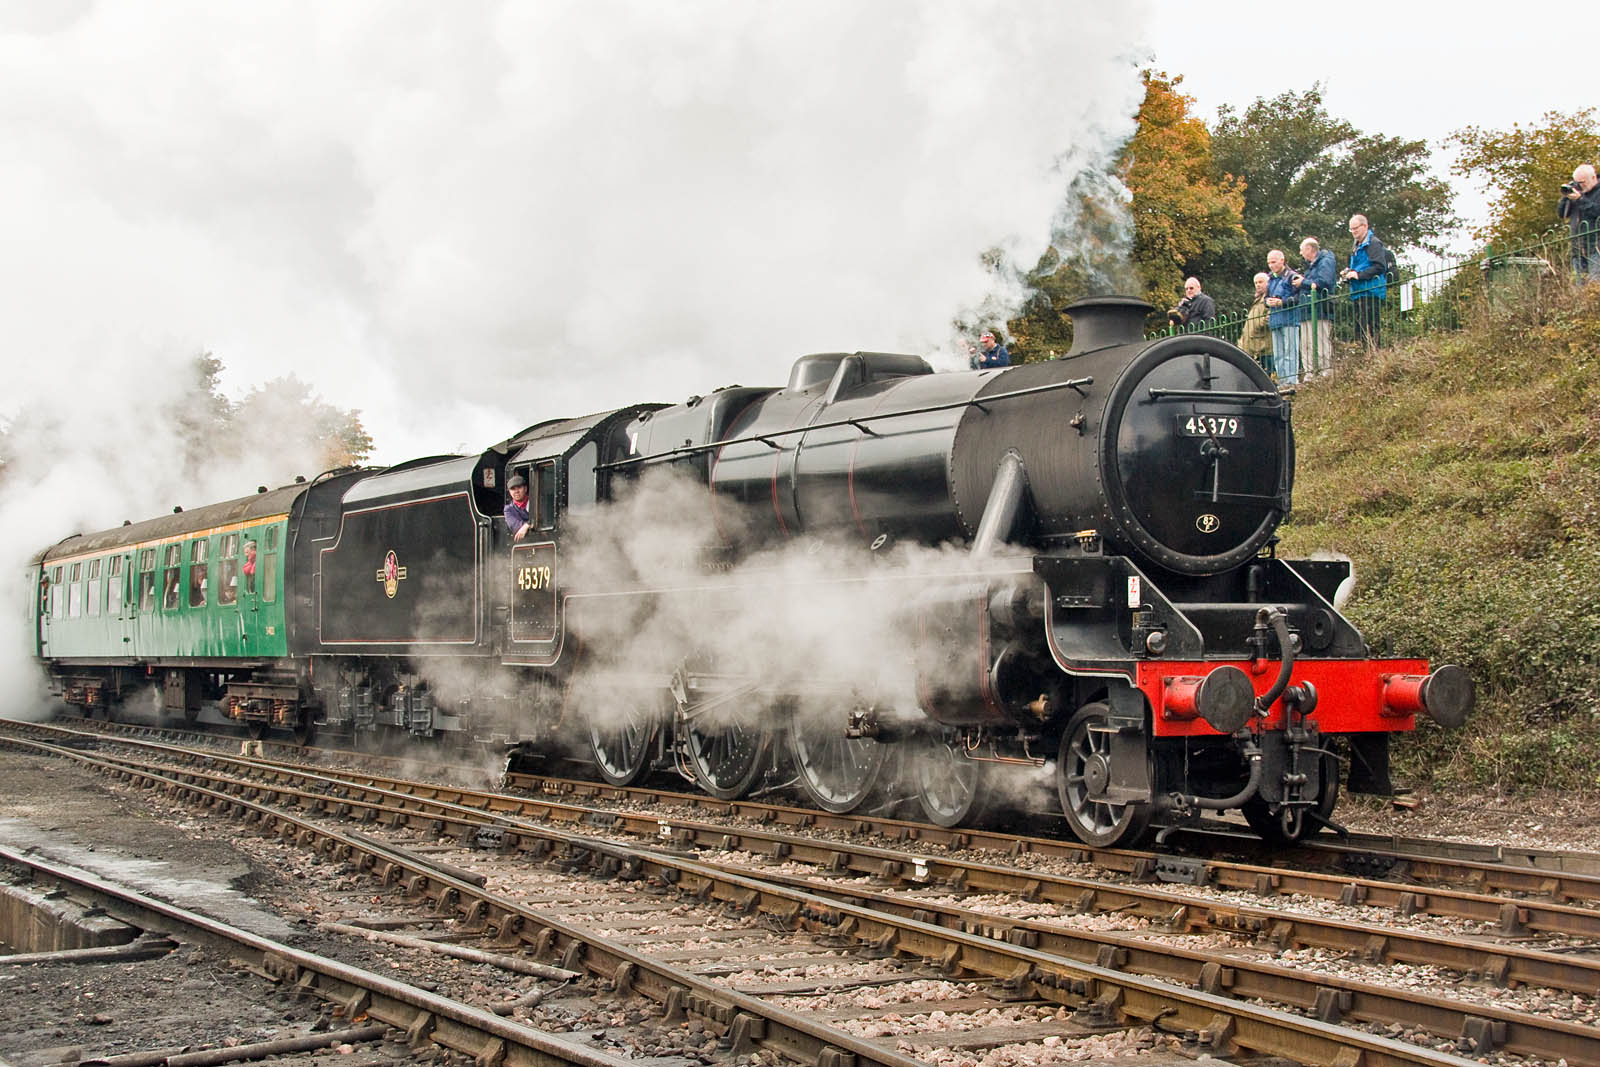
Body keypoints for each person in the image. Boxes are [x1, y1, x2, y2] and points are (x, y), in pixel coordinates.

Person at [1340, 215, 1388, 349]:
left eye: (1356, 228)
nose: (1354, 232)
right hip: (1358, 292)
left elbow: (1379, 266)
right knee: (1360, 330)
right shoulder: (1355, 246)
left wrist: (1359, 275)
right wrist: (1348, 272)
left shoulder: (1373, 243)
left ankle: (1373, 355)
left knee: (1371, 328)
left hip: (1371, 291)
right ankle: (1365, 355)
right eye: (1351, 229)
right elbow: (1359, 265)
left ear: (1365, 226)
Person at [1294, 237, 1338, 376]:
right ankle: (1310, 372)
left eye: (1302, 250)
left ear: (1309, 249)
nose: (1301, 254)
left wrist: (1304, 283)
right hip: (1306, 309)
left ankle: (1325, 371)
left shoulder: (1326, 261)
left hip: (1320, 308)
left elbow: (1324, 282)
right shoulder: (1310, 266)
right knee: (1306, 343)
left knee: (1321, 341)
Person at [1558, 163, 1600, 283]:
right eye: (1577, 182)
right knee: (1580, 290)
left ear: (1593, 178)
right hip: (1578, 248)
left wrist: (1580, 200)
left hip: (1596, 247)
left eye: (1583, 182)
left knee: (1594, 286)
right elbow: (1562, 214)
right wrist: (1566, 196)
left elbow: (1597, 211)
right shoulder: (1577, 192)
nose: (1580, 186)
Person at [1264, 250, 1300, 385]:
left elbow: (1297, 298)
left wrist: (1282, 302)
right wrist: (1267, 302)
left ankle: (1291, 381)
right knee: (1278, 354)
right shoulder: (1270, 279)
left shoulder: (1292, 276)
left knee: (1290, 353)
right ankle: (1282, 381)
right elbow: (1265, 298)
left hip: (1290, 319)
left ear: (1282, 261)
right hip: (1275, 320)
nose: (1271, 265)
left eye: (1273, 262)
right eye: (1269, 263)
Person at [1238, 271, 1272, 368]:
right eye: (1256, 283)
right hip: (1253, 345)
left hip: (1264, 347)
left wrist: (1258, 325)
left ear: (1268, 283)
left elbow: (1269, 317)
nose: (1258, 285)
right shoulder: (1257, 300)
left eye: (1260, 282)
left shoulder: (1268, 299)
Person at [504, 474, 533, 542]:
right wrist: (529, 524)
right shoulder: (508, 510)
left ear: (525, 488)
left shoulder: (536, 501)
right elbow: (517, 526)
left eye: (519, 487)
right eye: (513, 489)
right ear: (510, 492)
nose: (516, 491)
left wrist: (527, 525)